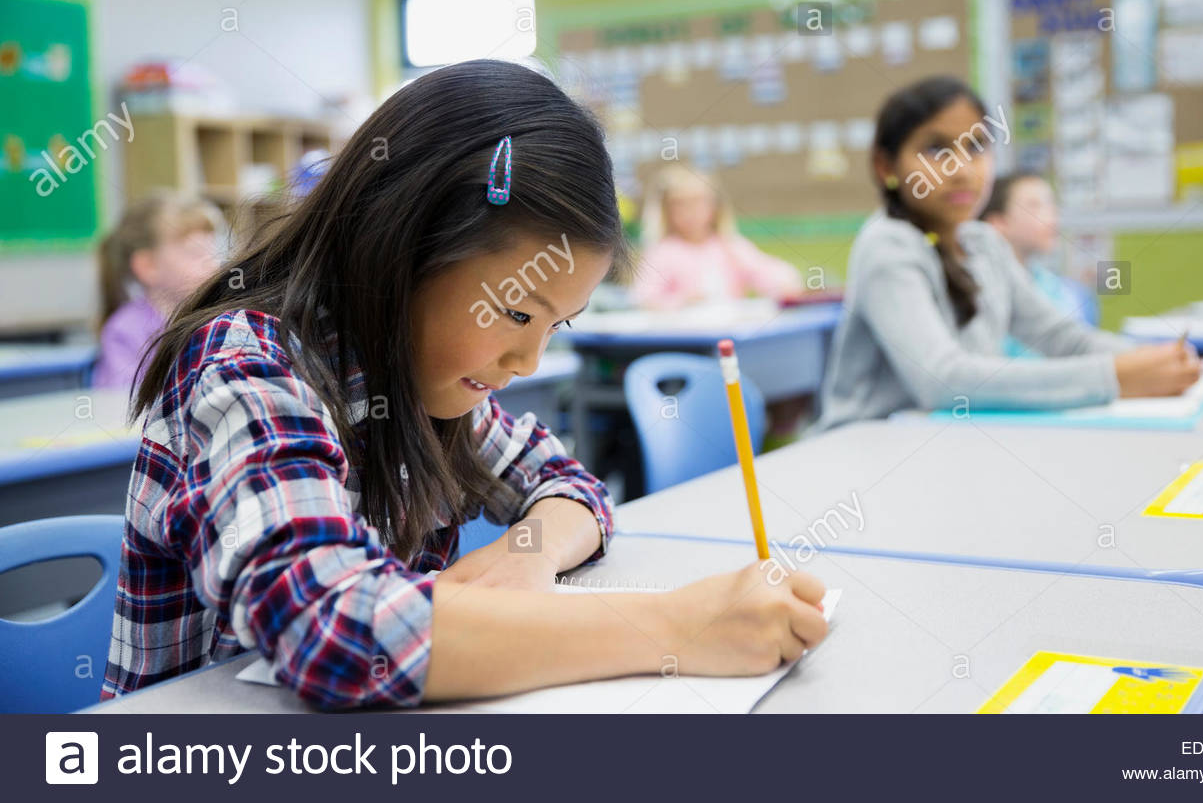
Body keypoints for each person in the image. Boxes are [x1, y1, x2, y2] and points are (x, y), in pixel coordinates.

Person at [102, 60, 827, 709]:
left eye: (556, 326)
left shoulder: (414, 376)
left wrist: (529, 551)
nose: (529, 362)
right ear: (404, 244)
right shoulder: (249, 363)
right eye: (516, 311)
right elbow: (332, 629)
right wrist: (672, 627)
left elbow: (572, 484)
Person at [817, 76, 1202, 429]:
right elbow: (943, 381)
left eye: (976, 146)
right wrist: (1114, 377)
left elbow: (1063, 339)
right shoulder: (888, 245)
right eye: (936, 148)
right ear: (886, 165)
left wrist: (1155, 361)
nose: (961, 169)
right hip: (867, 454)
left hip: (952, 445)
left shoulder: (983, 245)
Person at [92, 192, 224, 389]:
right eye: (195, 253)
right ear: (148, 267)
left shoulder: (216, 320)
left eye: (212, 252)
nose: (213, 264)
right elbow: (122, 407)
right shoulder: (124, 331)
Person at [633, 164, 803, 309]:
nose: (690, 212)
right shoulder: (663, 252)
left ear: (714, 207)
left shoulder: (730, 246)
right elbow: (644, 298)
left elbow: (767, 273)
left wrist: (785, 284)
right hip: (685, 336)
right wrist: (682, 301)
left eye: (698, 203)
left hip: (729, 333)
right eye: (680, 205)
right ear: (667, 211)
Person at [980, 171, 1098, 355]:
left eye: (1051, 205)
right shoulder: (981, 291)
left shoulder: (1056, 288)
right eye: (1035, 206)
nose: (1052, 217)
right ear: (998, 223)